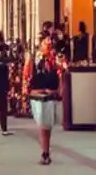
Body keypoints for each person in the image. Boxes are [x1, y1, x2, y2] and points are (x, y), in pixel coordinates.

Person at [24, 35, 62, 166]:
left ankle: (45, 152)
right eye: (46, 43)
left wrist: (60, 89)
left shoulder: (55, 58)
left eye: (50, 44)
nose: (49, 45)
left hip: (50, 93)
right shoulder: (33, 57)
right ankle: (45, 152)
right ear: (41, 44)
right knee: (43, 125)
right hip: (37, 94)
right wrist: (25, 89)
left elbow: (61, 72)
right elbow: (26, 73)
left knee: (47, 125)